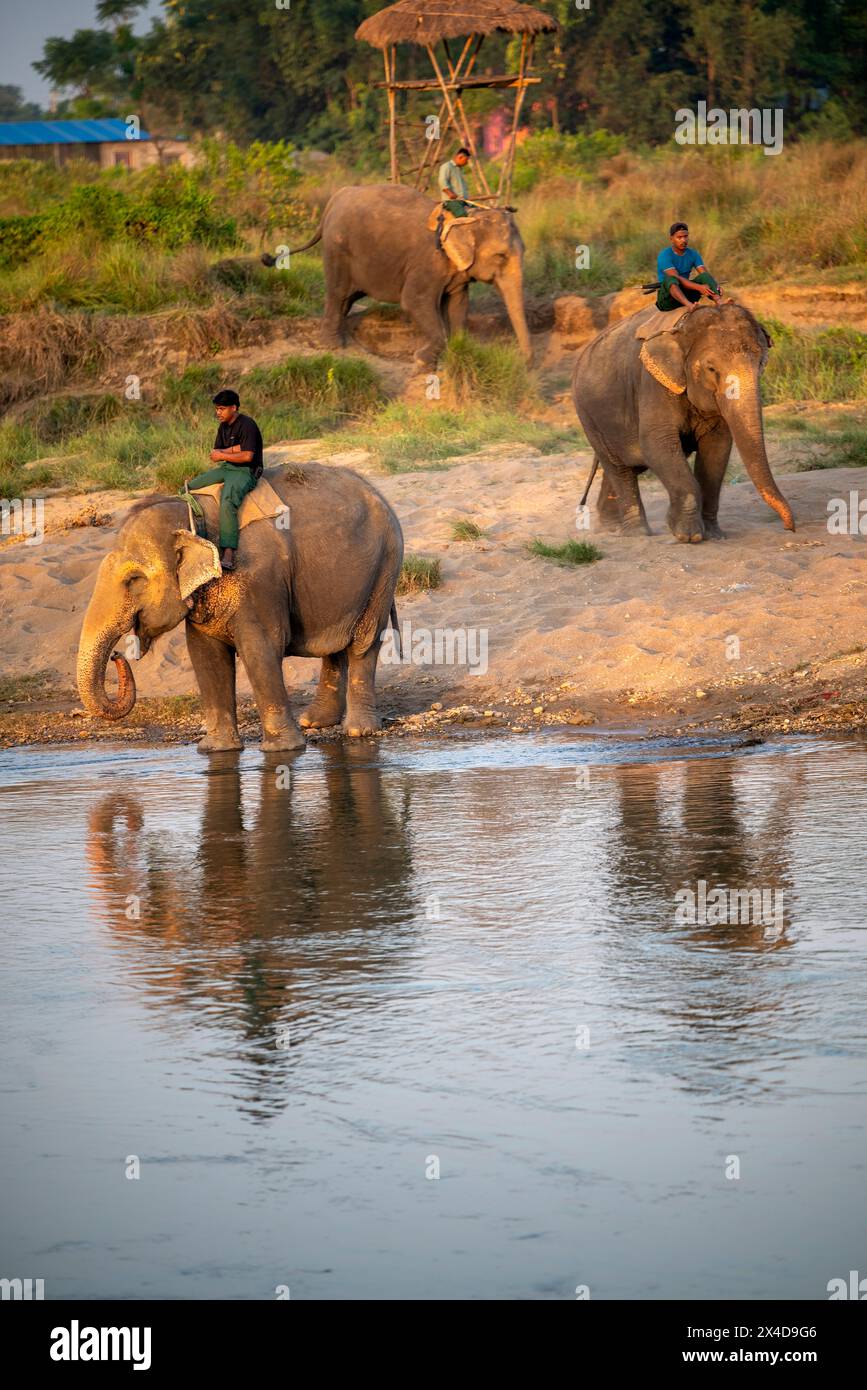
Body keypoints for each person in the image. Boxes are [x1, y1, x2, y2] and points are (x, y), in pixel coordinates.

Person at [184, 390, 264, 571]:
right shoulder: (223, 427)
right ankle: (197, 530)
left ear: (233, 408)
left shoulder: (248, 424)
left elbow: (247, 457)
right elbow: (215, 455)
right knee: (188, 488)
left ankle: (228, 553)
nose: (217, 413)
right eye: (216, 409)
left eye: (221, 409)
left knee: (227, 502)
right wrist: (233, 451)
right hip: (227, 468)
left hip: (246, 471)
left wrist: (225, 453)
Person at [655, 222, 726, 312]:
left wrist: (715, 285)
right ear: (671, 239)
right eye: (679, 237)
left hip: (687, 294)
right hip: (669, 298)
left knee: (705, 276)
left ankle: (720, 302)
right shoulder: (664, 255)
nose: (683, 240)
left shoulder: (693, 254)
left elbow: (704, 273)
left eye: (685, 236)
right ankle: (690, 306)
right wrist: (699, 287)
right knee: (671, 279)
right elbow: (677, 278)